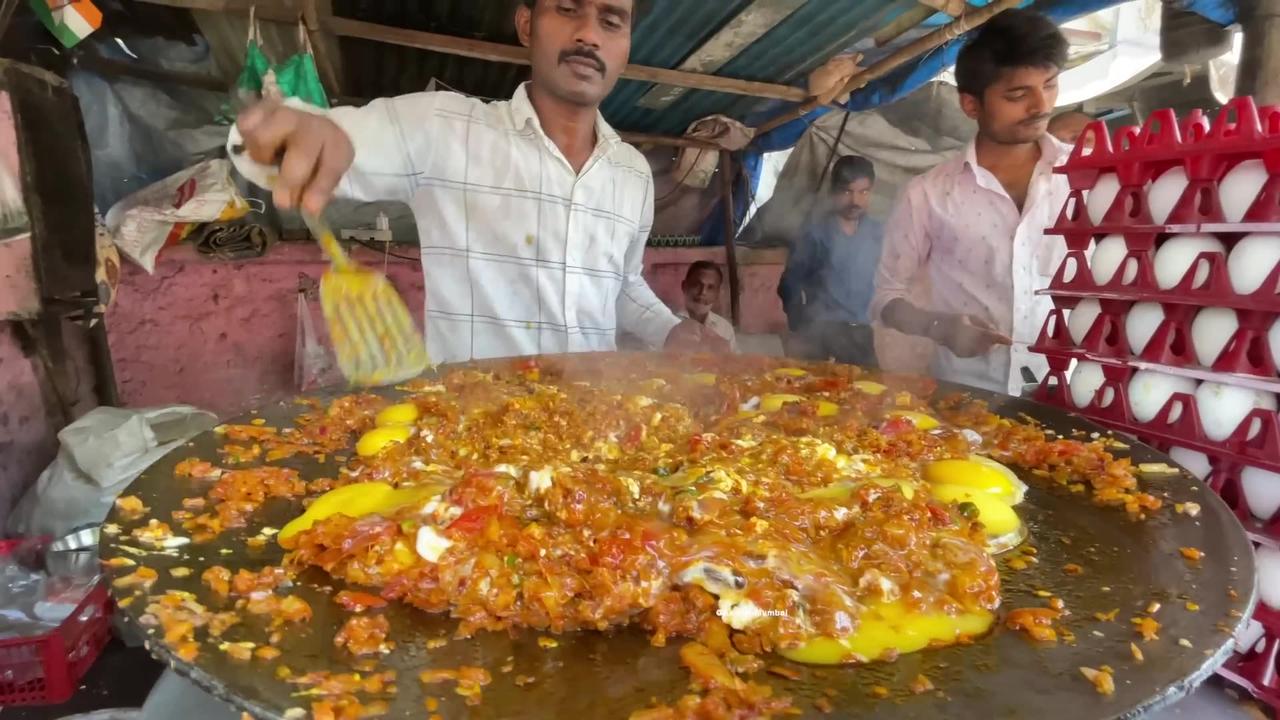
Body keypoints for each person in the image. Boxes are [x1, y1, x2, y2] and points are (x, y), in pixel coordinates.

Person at [232, 0, 725, 363]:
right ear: (527, 24)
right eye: (569, 9)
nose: (589, 35)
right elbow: (317, 138)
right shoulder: (444, 129)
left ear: (625, 46)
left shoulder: (634, 174)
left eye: (611, 21)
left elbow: (621, 285)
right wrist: (295, 130)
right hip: (471, 440)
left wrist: (670, 331)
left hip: (594, 437)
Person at [872, 8, 1070, 395]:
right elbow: (886, 298)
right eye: (1018, 94)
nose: (1040, 106)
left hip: (1076, 394)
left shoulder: (1090, 177)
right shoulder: (928, 195)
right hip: (971, 397)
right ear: (970, 105)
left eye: (1049, 85)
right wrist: (939, 328)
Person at [778, 155, 883, 367]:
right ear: (834, 192)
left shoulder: (877, 233)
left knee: (872, 393)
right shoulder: (815, 232)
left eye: (863, 192)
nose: (855, 201)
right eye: (847, 191)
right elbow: (789, 283)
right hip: (821, 334)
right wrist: (802, 326)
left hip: (860, 332)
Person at [677, 260, 737, 352]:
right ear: (684, 286)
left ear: (718, 293)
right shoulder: (669, 323)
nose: (703, 292)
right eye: (697, 285)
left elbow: (734, 363)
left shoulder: (724, 329)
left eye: (710, 287)